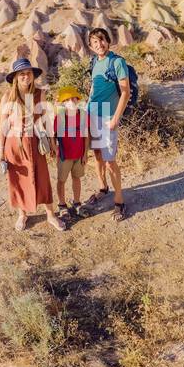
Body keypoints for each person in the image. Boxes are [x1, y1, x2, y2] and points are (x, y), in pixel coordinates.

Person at [0, 57, 66, 233]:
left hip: (35, 142)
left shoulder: (39, 93)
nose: (26, 76)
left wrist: (52, 142)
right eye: (22, 74)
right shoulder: (7, 97)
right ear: (15, 77)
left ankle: (50, 214)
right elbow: (3, 126)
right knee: (18, 180)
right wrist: (0, 151)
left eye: (28, 73)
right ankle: (22, 214)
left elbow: (45, 120)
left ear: (33, 75)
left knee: (42, 177)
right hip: (14, 145)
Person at [87, 27, 131, 221]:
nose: (99, 44)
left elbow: (125, 92)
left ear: (108, 41)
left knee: (110, 160)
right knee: (97, 156)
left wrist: (115, 118)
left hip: (108, 118)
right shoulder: (95, 61)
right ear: (91, 46)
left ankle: (119, 200)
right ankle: (103, 188)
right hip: (93, 116)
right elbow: (93, 88)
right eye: (95, 42)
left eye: (102, 40)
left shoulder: (117, 62)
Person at [51, 85, 89, 219]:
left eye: (74, 98)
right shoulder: (60, 117)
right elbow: (53, 135)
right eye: (67, 99)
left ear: (78, 100)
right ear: (63, 103)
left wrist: (85, 154)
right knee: (61, 180)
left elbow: (85, 136)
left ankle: (77, 202)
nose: (71, 101)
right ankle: (62, 205)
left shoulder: (83, 115)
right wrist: (55, 149)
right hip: (64, 155)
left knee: (76, 178)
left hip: (78, 155)